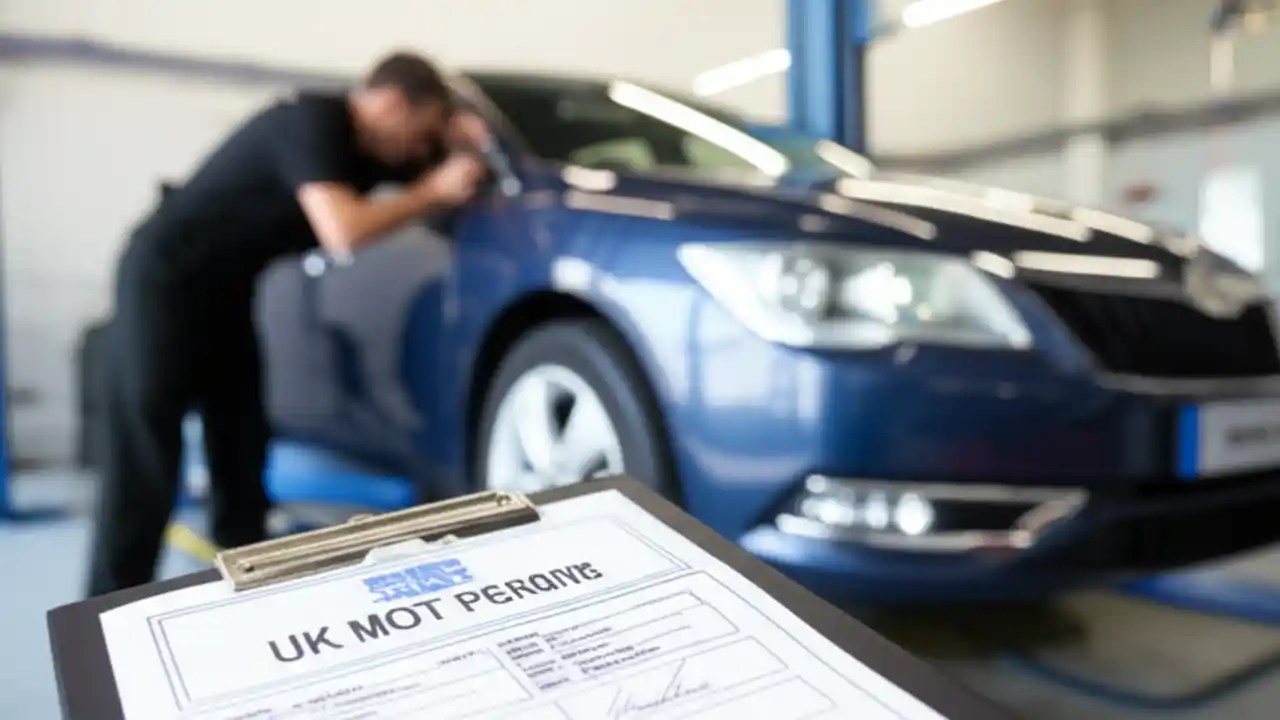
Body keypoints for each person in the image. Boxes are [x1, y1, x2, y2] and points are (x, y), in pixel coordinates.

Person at [87, 52, 489, 596]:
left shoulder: (370, 155)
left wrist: (463, 141)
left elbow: (438, 165)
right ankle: (109, 614)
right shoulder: (311, 120)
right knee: (146, 456)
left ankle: (249, 596)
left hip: (229, 292)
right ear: (392, 103)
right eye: (419, 134)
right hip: (164, 281)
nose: (418, 151)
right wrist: (433, 192)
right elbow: (342, 231)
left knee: (242, 446)